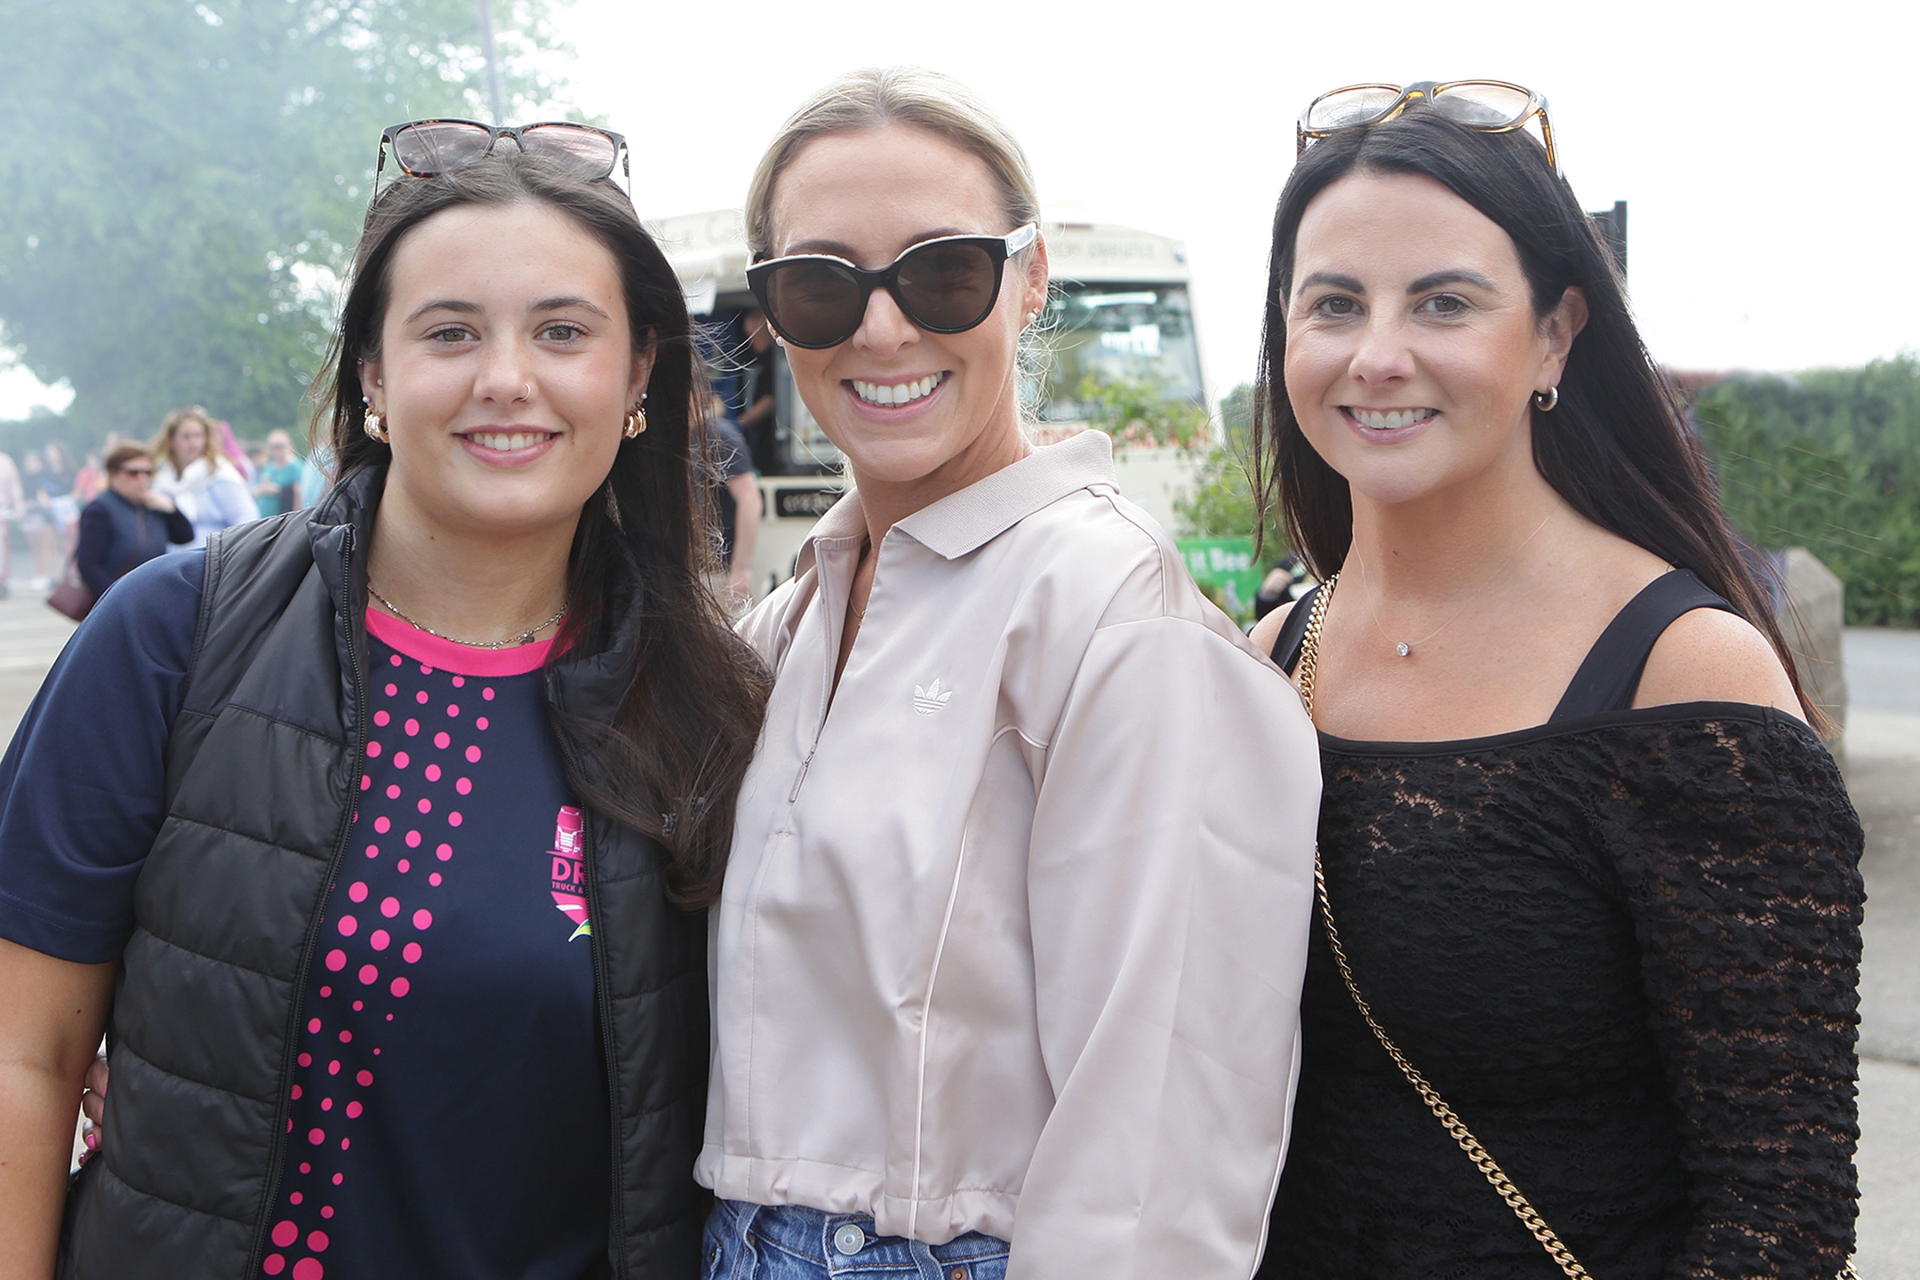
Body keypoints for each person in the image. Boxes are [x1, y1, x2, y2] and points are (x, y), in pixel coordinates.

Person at [0, 127, 767, 1279]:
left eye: (563, 330)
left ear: (639, 373)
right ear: (371, 371)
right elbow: (26, 1053)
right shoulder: (171, 636)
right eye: (450, 331)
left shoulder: (717, 711)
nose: (506, 376)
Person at [699, 68, 1320, 1280]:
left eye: (943, 273)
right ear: (772, 315)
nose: (883, 330)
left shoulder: (1111, 611)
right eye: (822, 284)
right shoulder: (793, 616)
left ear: (1030, 279)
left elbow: (1165, 1128)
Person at [1245, 82, 1863, 1278]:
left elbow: (1778, 1219)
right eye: (1334, 303)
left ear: (1555, 335)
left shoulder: (1685, 677)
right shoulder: (1264, 660)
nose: (1378, 354)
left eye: (1444, 301)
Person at [72, 442, 193, 599]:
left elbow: (185, 536)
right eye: (133, 473)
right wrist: (117, 599)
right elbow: (88, 565)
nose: (142, 479)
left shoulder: (153, 503)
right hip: (117, 599)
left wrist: (172, 510)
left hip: (152, 594)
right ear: (113, 475)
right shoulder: (100, 510)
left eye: (147, 473)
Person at [151, 405, 261, 546]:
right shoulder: (164, 480)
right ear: (172, 440)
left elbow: (247, 522)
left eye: (198, 435)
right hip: (175, 560)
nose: (193, 443)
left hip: (213, 560)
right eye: (186, 437)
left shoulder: (220, 475)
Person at [702, 400, 761, 611]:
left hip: (719, 572)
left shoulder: (719, 436)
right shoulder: (668, 438)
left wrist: (741, 569)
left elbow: (750, 500)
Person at [733, 306, 780, 474]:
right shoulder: (759, 359)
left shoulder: (776, 359)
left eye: (753, 338)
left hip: (773, 440)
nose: (752, 343)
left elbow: (770, 400)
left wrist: (738, 423)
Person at [253, 428, 308, 515]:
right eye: (273, 447)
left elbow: (299, 493)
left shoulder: (295, 467)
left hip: (283, 516)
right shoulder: (269, 467)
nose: (276, 451)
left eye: (280, 446)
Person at [0, 449, 22, 596]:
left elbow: (14, 485)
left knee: (2, 547)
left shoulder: (5, 461)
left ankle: (2, 580)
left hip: (2, 509)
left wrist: (18, 506)